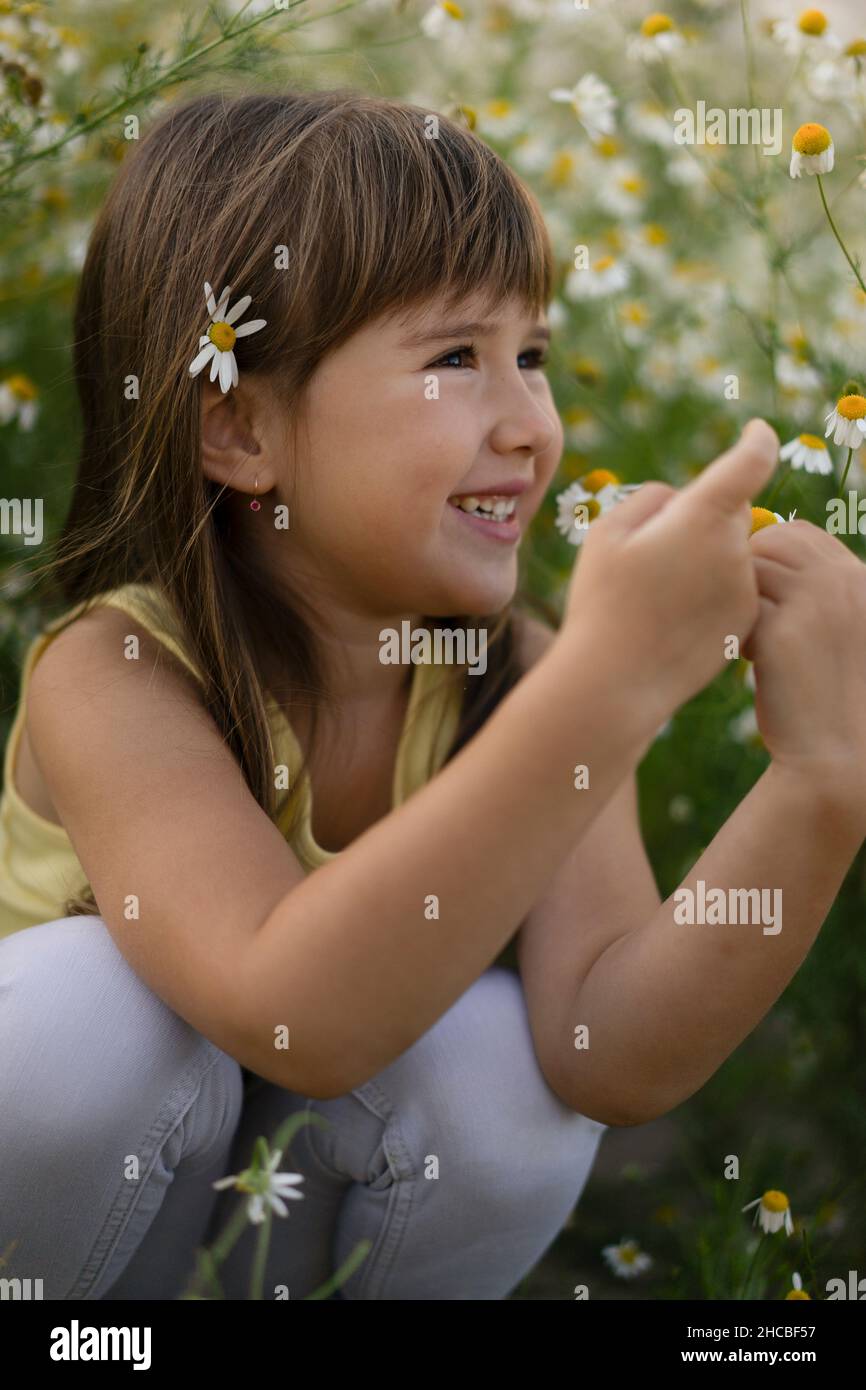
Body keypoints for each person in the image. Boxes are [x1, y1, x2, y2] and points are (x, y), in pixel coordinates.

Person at [2, 89, 866, 1302]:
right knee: (92, 1010)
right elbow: (291, 1011)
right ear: (240, 429)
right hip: (70, 1256)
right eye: (455, 359)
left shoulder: (512, 673)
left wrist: (823, 779)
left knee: (507, 1075)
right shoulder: (120, 672)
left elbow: (606, 1050)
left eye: (533, 357)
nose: (528, 425)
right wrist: (606, 686)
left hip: (269, 1240)